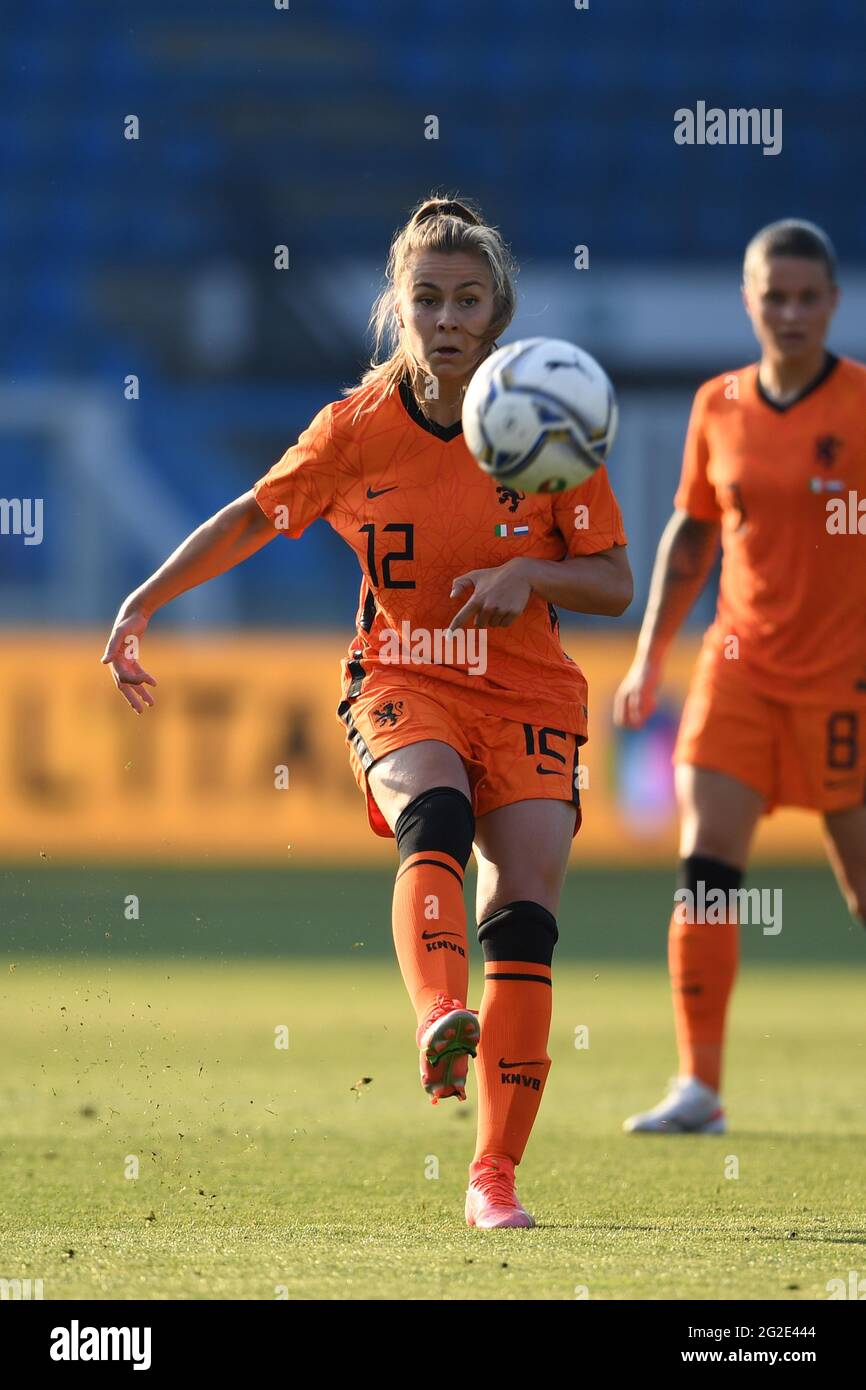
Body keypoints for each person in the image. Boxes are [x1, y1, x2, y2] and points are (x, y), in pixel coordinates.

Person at [102, 193, 632, 1226]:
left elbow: (612, 580)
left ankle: (492, 1179)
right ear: (397, 306)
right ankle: (442, 1014)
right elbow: (256, 516)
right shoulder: (354, 429)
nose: (444, 318)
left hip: (526, 687)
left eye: (465, 300)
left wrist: (530, 571)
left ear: (495, 311)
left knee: (522, 915)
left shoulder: (546, 421)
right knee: (429, 815)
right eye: (426, 297)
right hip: (403, 671)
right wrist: (143, 602)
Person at [614, 219, 866, 1134]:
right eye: (775, 297)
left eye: (808, 298)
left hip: (847, 685)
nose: (792, 312)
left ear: (833, 303)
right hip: (739, 670)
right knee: (706, 872)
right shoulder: (717, 405)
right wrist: (650, 660)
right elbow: (690, 537)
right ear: (749, 301)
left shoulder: (864, 408)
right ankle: (700, 1088)